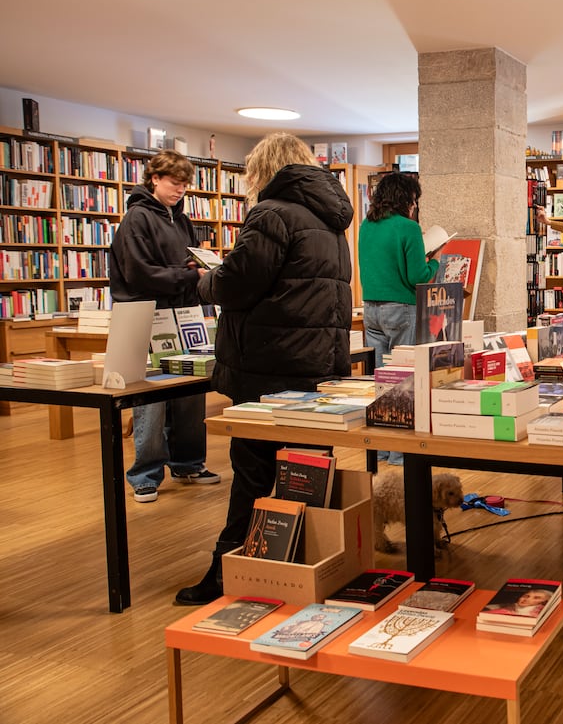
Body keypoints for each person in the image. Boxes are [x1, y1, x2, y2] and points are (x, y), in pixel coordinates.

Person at [175, 132, 353, 605]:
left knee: (252, 472)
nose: (248, 181)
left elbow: (237, 285)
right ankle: (311, 568)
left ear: (266, 169)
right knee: (307, 472)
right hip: (318, 366)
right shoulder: (331, 221)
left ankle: (229, 572)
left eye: (251, 171)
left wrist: (205, 279)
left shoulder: (272, 213)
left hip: (270, 366)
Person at [108, 149, 218, 503]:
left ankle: (188, 462)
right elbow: (139, 272)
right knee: (151, 398)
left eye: (185, 185)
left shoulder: (181, 219)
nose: (180, 190)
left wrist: (198, 265)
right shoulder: (136, 218)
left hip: (183, 313)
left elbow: (186, 258)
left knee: (189, 388)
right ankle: (145, 473)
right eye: (174, 183)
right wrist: (187, 275)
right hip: (146, 315)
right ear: (154, 178)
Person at [357, 171, 440, 465]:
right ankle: (399, 454)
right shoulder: (408, 228)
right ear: (407, 199)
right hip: (401, 309)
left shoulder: (367, 225)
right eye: (414, 200)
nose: (415, 206)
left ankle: (380, 447)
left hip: (371, 309)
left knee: (382, 379)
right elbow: (417, 277)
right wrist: (435, 262)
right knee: (404, 379)